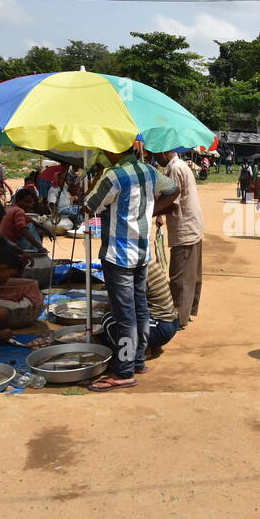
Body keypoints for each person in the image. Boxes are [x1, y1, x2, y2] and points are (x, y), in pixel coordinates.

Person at [83, 147, 179, 391]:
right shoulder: (149, 171)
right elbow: (173, 190)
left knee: (124, 315)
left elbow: (88, 206)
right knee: (140, 310)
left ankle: (124, 371)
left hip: (118, 256)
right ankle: (137, 360)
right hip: (142, 254)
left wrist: (98, 173)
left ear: (112, 151)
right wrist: (149, 213)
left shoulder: (113, 176)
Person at [100, 234, 180, 359]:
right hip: (171, 322)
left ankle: (130, 355)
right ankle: (149, 346)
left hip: (161, 327)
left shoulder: (135, 269)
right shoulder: (147, 261)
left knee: (109, 320)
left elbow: (124, 304)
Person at [156, 150, 205, 328]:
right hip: (192, 226)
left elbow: (171, 200)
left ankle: (178, 317)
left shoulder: (175, 169)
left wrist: (150, 212)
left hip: (185, 228)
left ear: (165, 152)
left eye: (156, 154)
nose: (156, 158)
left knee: (179, 276)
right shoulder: (180, 166)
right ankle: (186, 312)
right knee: (191, 274)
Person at [0, 189, 56, 254]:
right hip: (11, 245)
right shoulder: (19, 211)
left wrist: (46, 230)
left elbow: (30, 220)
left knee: (33, 225)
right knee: (30, 226)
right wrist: (39, 247)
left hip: (4, 243)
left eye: (31, 202)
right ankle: (35, 251)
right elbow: (23, 230)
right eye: (27, 202)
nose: (30, 204)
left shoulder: (10, 208)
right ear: (19, 201)